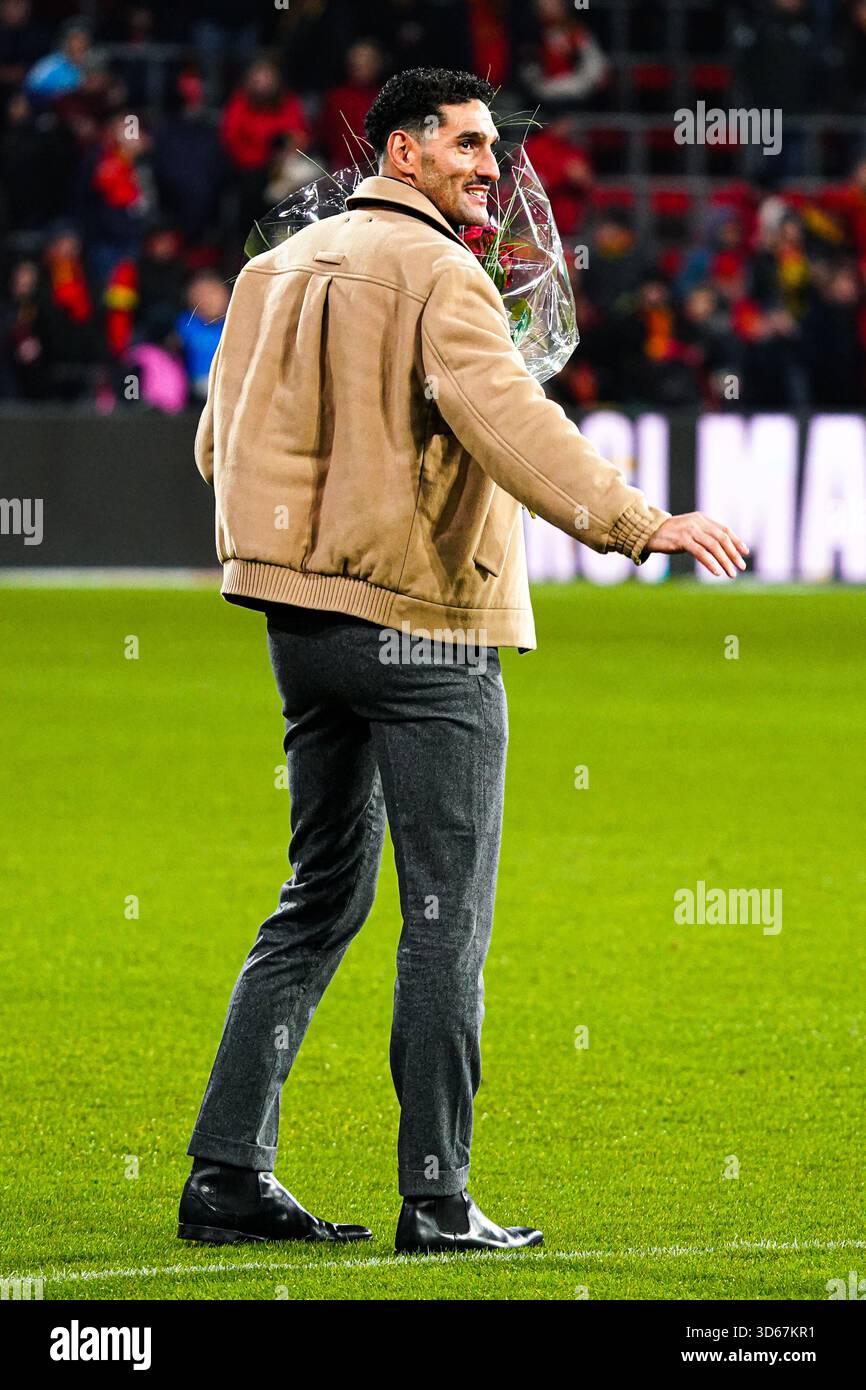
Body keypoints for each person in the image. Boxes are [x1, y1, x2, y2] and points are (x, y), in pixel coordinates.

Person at [180, 66, 747, 1255]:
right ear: (399, 150)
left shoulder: (268, 270)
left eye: (494, 148)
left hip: (301, 630)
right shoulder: (441, 273)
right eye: (470, 145)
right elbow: (511, 422)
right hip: (424, 632)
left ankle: (227, 1173)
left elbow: (212, 444)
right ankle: (436, 1197)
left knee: (315, 898)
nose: (492, 166)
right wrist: (639, 522)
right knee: (443, 915)